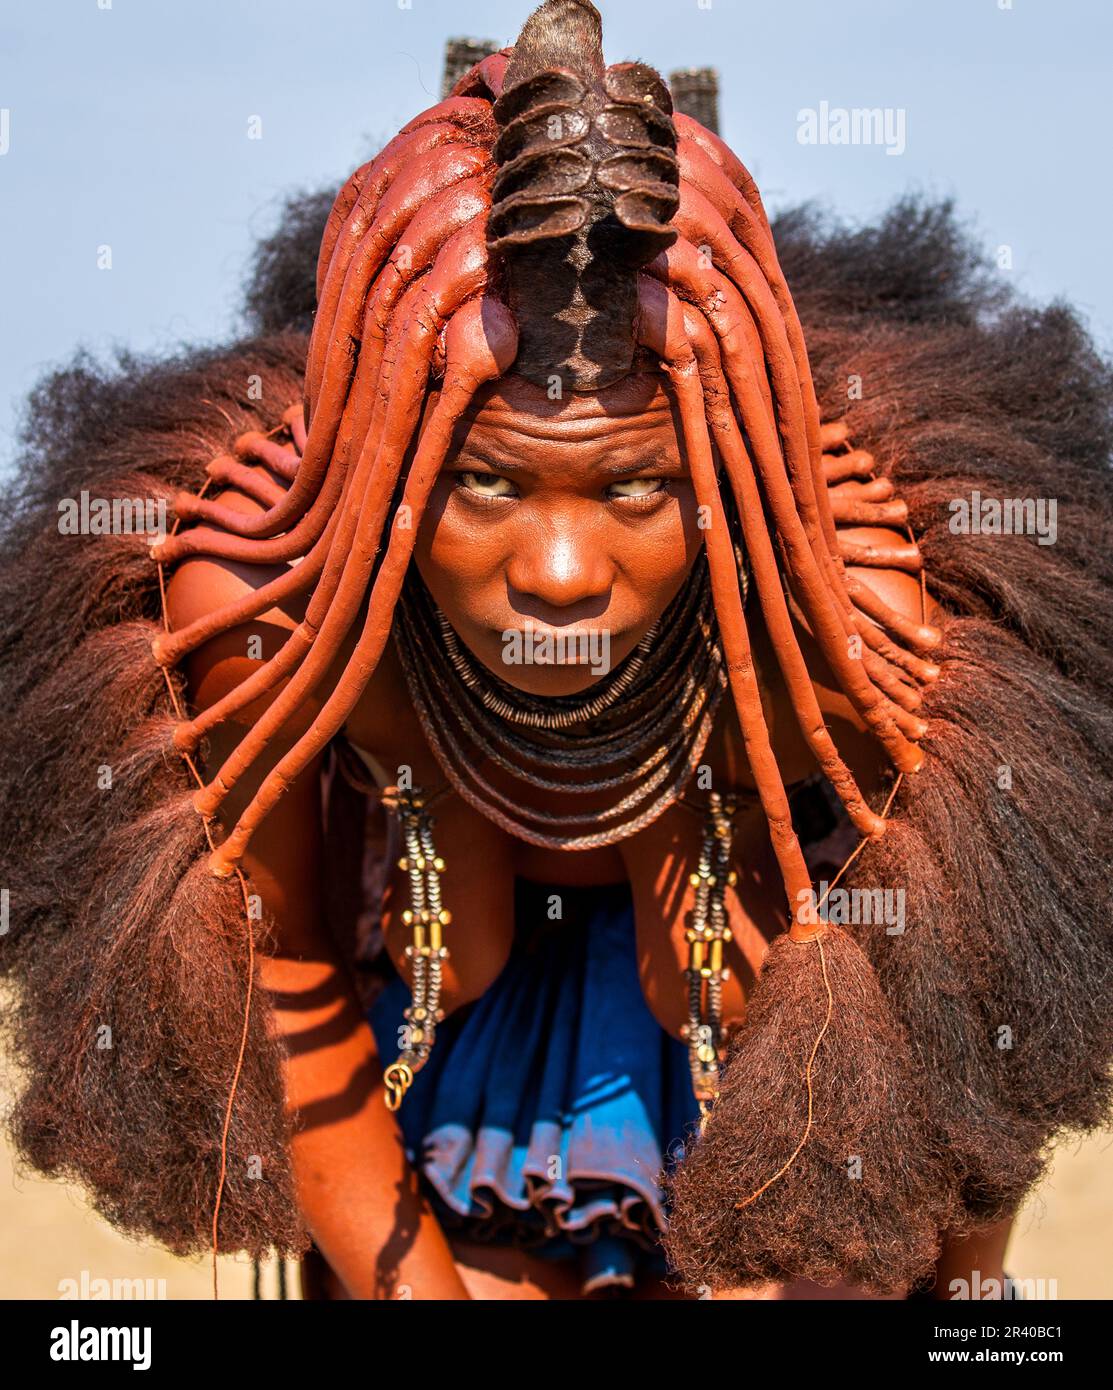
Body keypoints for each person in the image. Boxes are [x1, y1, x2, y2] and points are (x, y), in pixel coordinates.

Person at [2, 0, 1110, 1302]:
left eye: (632, 489)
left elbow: (970, 1072)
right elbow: (277, 979)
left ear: (721, 474)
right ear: (381, 457)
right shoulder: (264, 615)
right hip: (427, 1076)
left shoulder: (872, 626)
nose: (560, 573)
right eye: (482, 483)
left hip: (777, 1095)